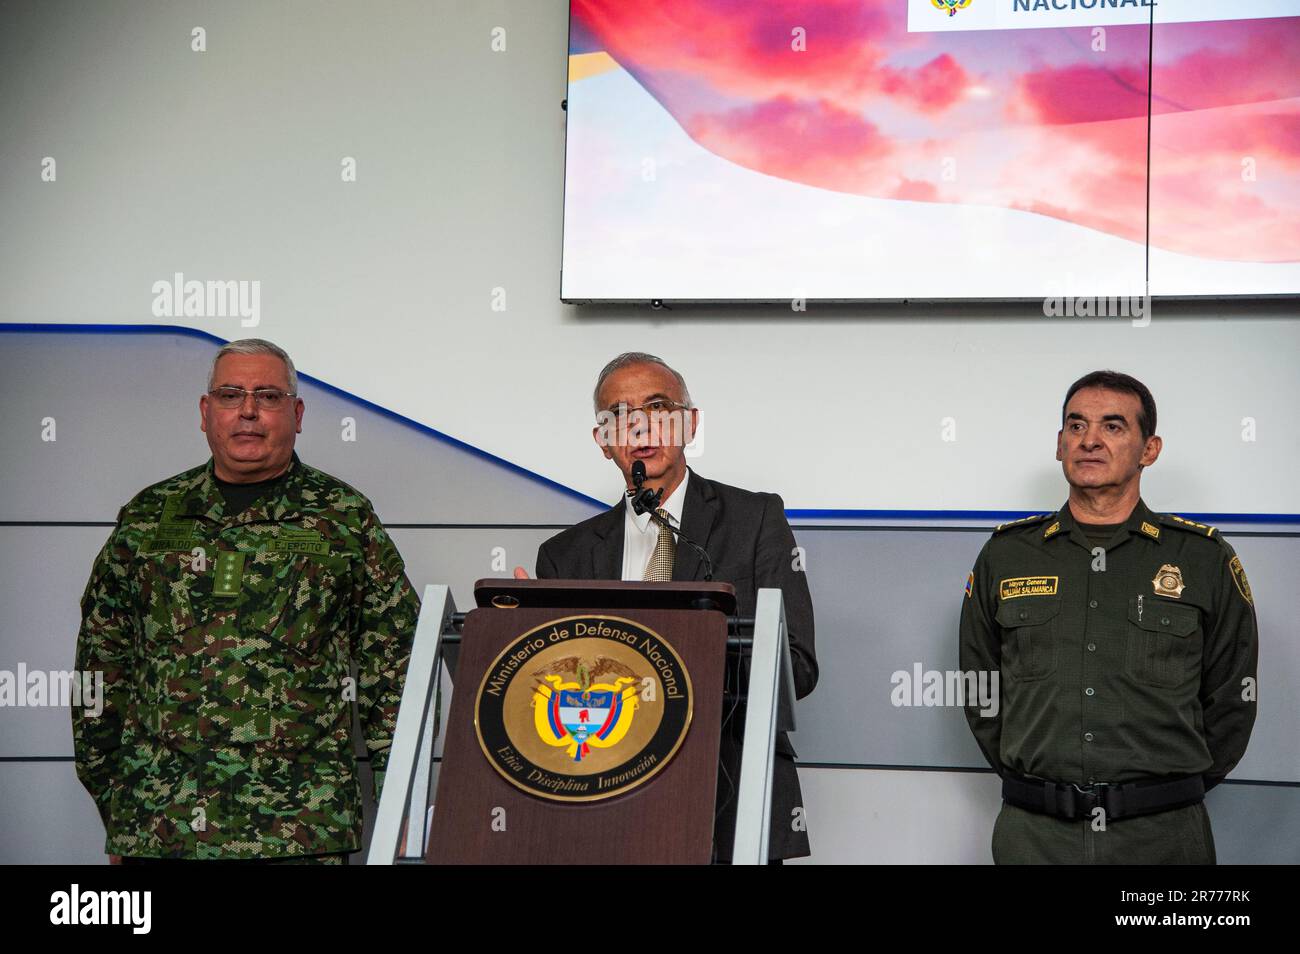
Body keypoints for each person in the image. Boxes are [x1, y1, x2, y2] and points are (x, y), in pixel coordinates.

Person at [72, 338, 419, 863]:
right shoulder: (149, 517)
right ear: (206, 412)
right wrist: (122, 810)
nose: (249, 411)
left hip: (301, 831)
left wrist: (400, 808)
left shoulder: (345, 519)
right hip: (162, 828)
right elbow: (100, 667)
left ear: (297, 414)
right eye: (231, 395)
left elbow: (395, 673)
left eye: (269, 396)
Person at [516, 352, 818, 862]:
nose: (639, 427)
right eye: (619, 415)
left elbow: (798, 665)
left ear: (690, 423)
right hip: (602, 801)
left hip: (730, 799)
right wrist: (519, 645)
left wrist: (688, 654)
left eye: (657, 408)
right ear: (604, 442)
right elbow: (556, 697)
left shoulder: (755, 519)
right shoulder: (564, 555)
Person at [960, 370, 1258, 864]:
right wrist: (1041, 781)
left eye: (1113, 427)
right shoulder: (1006, 557)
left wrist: (1164, 792)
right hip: (1035, 838)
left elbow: (1232, 701)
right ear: (1059, 445)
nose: (1090, 440)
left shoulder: (1203, 559)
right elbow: (979, 688)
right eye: (1076, 427)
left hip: (1163, 838)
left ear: (1150, 449)